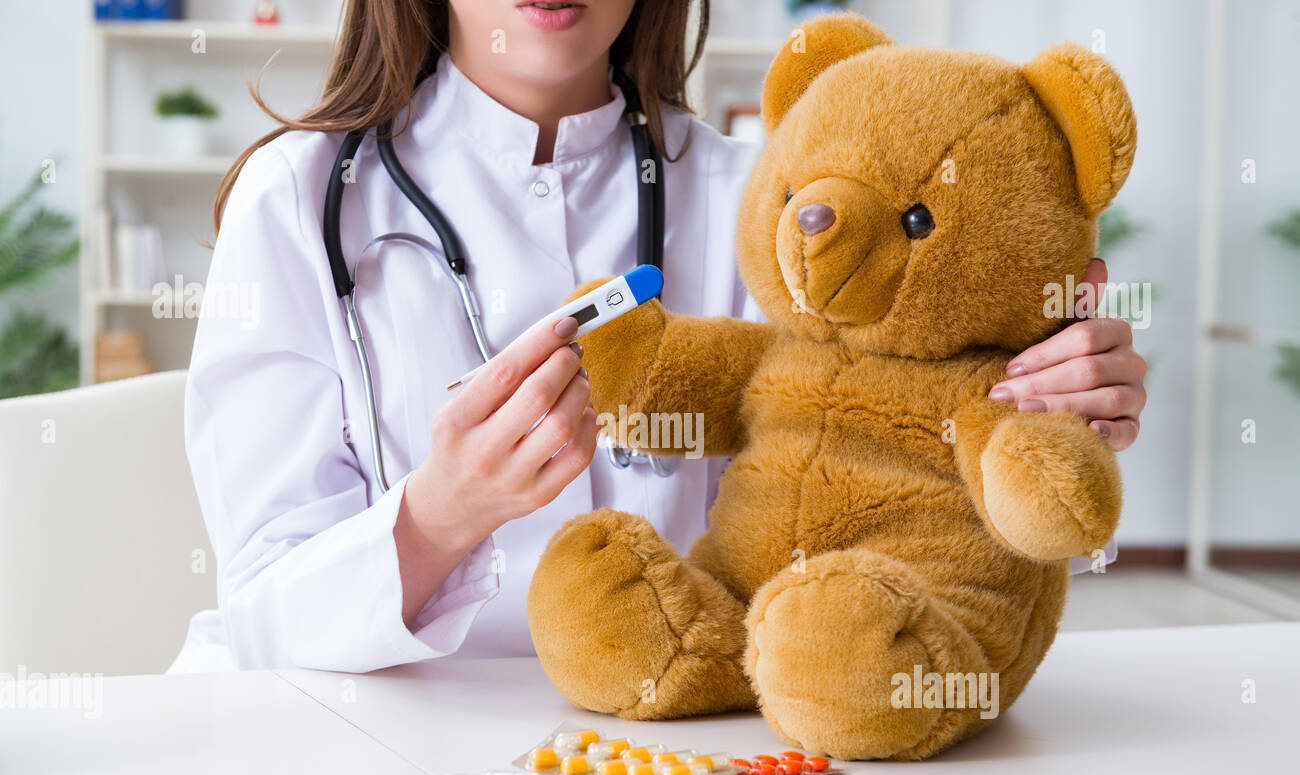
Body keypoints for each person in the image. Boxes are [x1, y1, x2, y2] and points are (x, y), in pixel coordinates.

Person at [170, 0, 1148, 673]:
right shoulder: (300, 201)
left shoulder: (777, 207)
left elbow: (875, 515)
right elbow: (263, 615)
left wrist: (1029, 405)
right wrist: (441, 516)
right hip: (382, 760)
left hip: (684, 747)